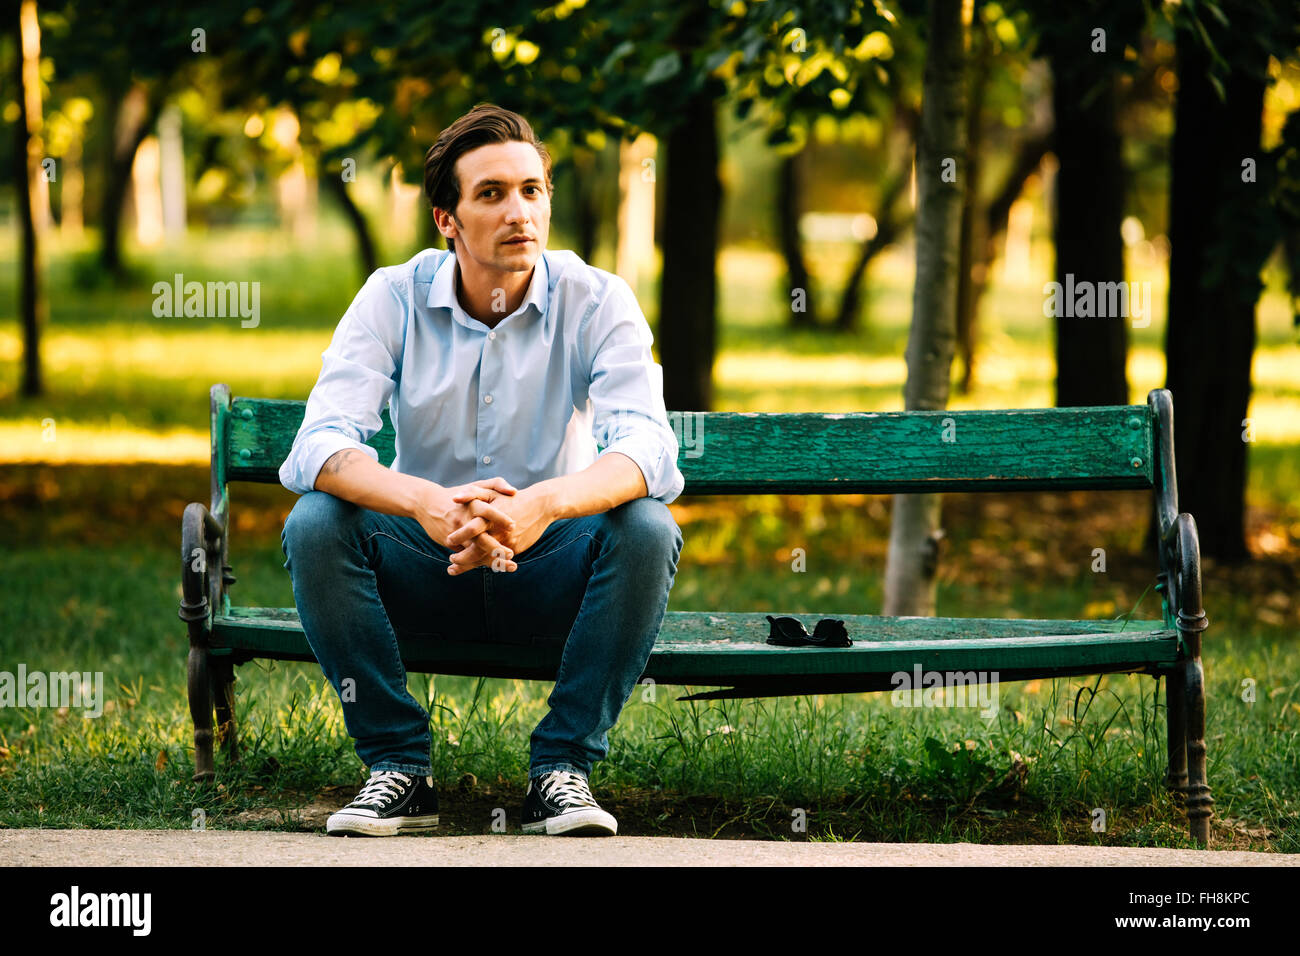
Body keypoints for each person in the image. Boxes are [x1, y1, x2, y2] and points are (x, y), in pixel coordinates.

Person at [277, 102, 684, 837]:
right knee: (315, 522)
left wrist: (544, 507)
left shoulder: (596, 298)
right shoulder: (392, 296)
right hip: (423, 571)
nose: (518, 211)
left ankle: (563, 771)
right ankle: (398, 768)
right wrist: (428, 504)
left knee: (648, 528)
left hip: (551, 574)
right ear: (447, 219)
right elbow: (318, 445)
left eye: (532, 190)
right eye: (491, 194)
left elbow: (649, 449)